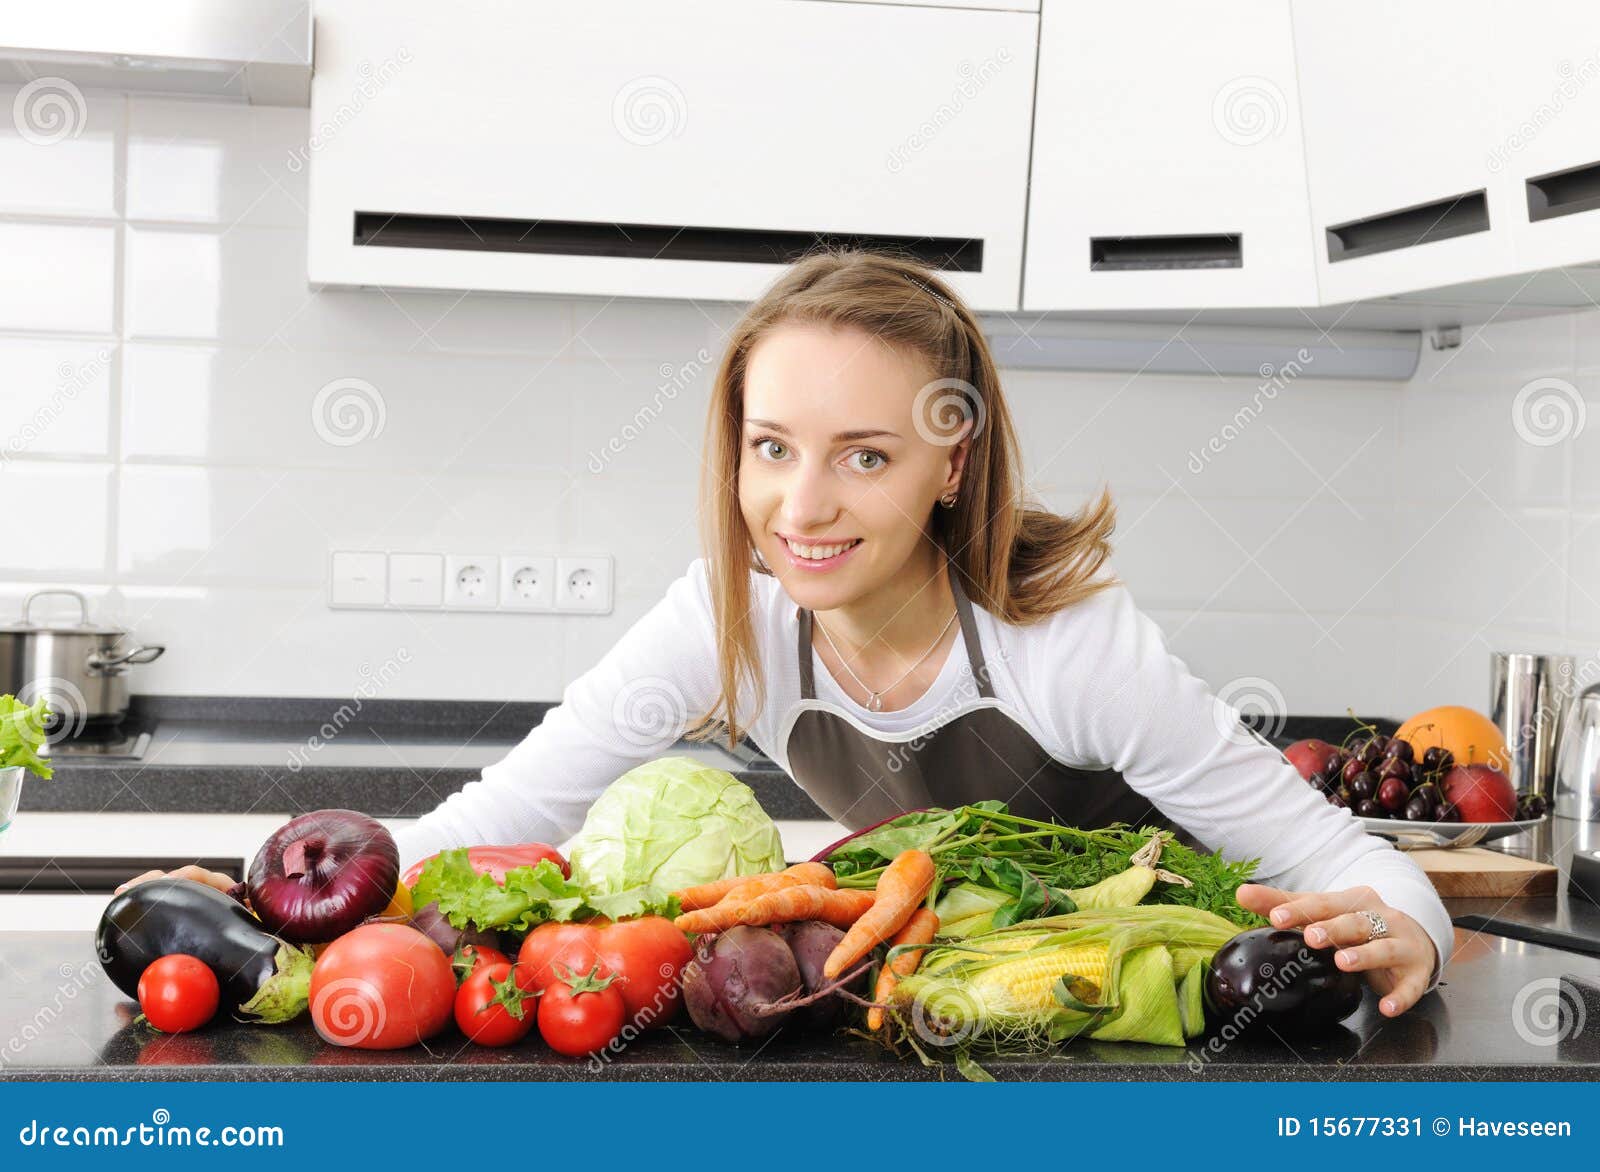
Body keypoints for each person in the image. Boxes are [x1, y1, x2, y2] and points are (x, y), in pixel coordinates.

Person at [121, 250, 1449, 1017]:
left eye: (863, 456)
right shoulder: (732, 616)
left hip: (1147, 1019)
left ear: (951, 462)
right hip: (932, 1012)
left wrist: (1413, 940)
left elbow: (1354, 866)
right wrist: (279, 903)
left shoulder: (1070, 648)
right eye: (771, 448)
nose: (801, 509)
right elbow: (508, 815)